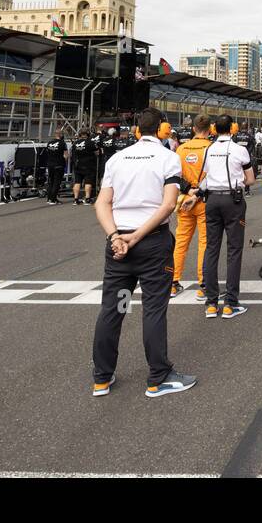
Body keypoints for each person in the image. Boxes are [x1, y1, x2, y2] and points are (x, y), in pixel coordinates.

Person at [91, 107, 196, 399]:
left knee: (114, 309)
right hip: (151, 243)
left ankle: (101, 377)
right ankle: (158, 377)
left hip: (118, 244)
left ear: (137, 130)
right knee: (153, 309)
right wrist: (137, 236)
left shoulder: (117, 158)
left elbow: (101, 204)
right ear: (162, 128)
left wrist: (115, 237)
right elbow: (168, 205)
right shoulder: (167, 158)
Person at [191, 114, 255, 319]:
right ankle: (230, 303)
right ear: (233, 128)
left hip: (212, 201)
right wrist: (238, 183)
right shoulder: (240, 150)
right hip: (233, 201)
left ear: (214, 129)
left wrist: (197, 194)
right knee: (234, 250)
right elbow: (250, 179)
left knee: (211, 249)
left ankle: (211, 303)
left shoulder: (209, 149)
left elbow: (207, 178)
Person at [171, 115, 213, 298]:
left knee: (181, 241)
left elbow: (174, 175)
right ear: (210, 130)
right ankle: (203, 285)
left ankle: (172, 282)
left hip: (184, 200)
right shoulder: (211, 148)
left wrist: (188, 192)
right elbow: (213, 176)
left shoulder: (181, 148)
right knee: (205, 242)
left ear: (194, 129)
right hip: (204, 200)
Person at [71, 128, 98, 205]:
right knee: (88, 182)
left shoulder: (75, 143)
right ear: (88, 134)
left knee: (77, 182)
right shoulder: (91, 142)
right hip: (88, 165)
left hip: (78, 165)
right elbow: (97, 152)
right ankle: (87, 199)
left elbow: (73, 153)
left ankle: (76, 199)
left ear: (80, 134)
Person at [43, 128, 69, 205]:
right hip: (58, 164)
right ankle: (53, 199)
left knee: (51, 181)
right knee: (57, 182)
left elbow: (48, 153)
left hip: (50, 164)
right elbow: (66, 155)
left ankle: (49, 198)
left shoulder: (49, 143)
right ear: (61, 135)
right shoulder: (62, 143)